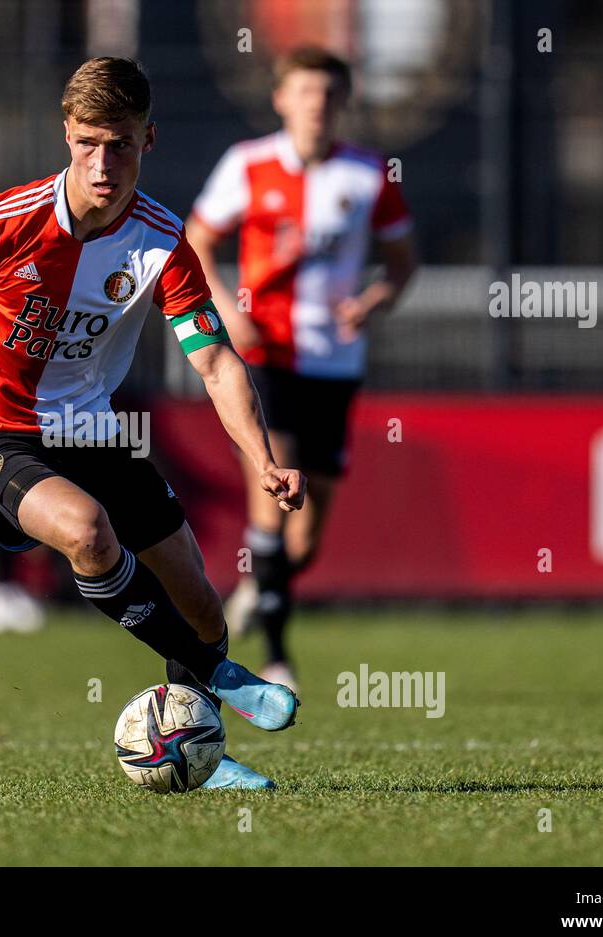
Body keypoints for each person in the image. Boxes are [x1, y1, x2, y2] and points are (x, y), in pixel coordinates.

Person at [0, 57, 304, 789]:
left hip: (90, 432)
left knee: (202, 602)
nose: (102, 162)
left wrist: (263, 458)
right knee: (85, 531)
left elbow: (215, 363)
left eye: (118, 143)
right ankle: (219, 673)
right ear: (66, 136)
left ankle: (199, 748)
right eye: (87, 142)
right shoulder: (3, 220)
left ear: (149, 138)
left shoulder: (161, 243)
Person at [186, 47, 418, 691]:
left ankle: (261, 595)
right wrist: (228, 309)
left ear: (344, 102)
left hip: (336, 363)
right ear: (281, 99)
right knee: (275, 494)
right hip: (267, 357)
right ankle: (278, 659)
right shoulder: (247, 164)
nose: (316, 104)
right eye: (305, 91)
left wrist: (375, 299)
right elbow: (197, 239)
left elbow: (402, 263)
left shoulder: (369, 174)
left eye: (328, 93)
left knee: (306, 538)